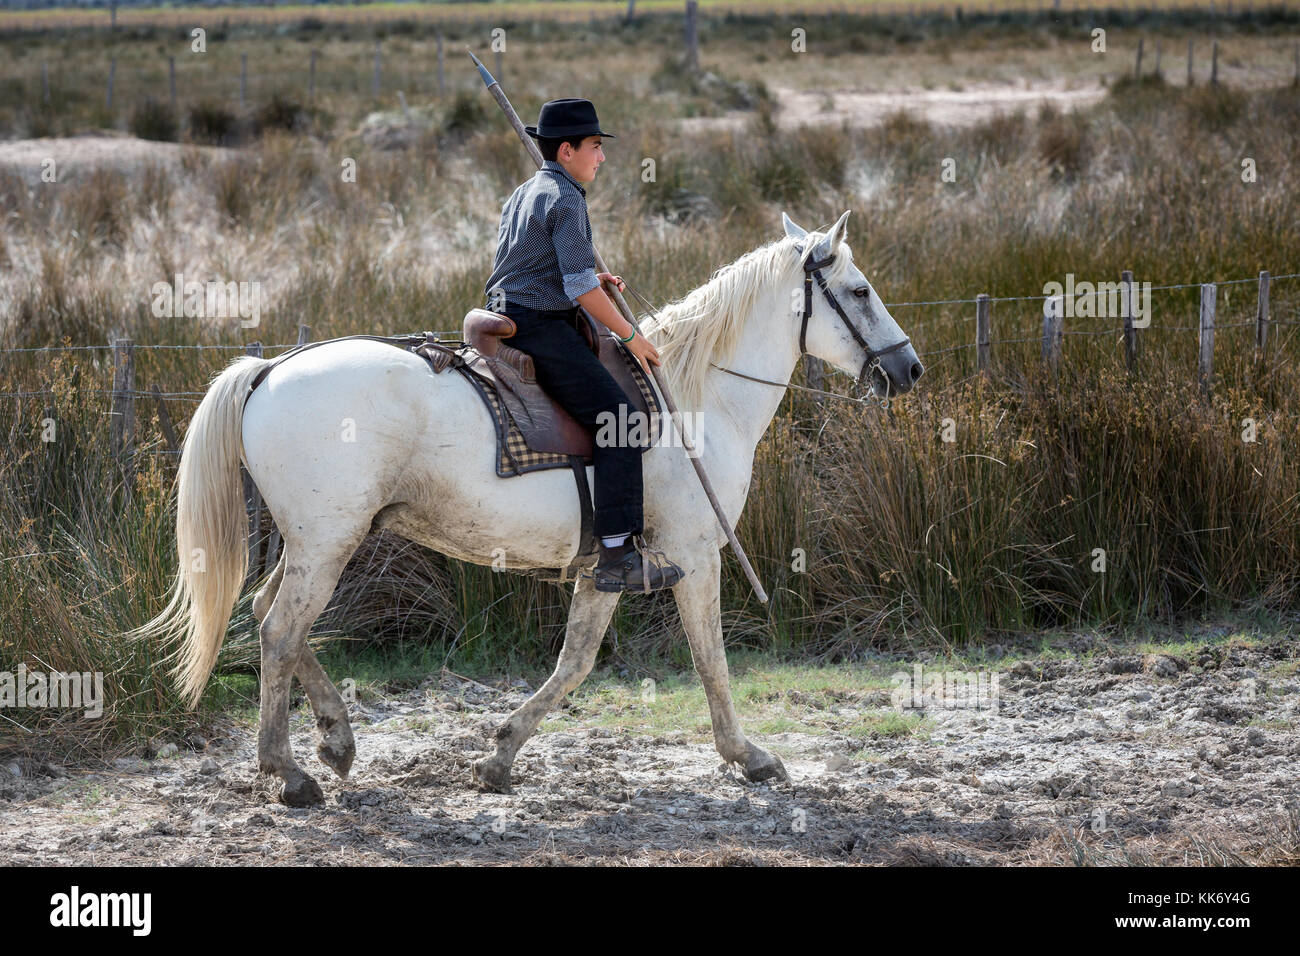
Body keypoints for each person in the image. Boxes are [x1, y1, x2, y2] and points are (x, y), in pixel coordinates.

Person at [483, 98, 683, 593]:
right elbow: (578, 291)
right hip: (537, 325)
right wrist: (633, 338)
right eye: (595, 146)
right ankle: (617, 554)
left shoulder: (527, 190)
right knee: (621, 419)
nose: (602, 156)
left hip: (510, 312)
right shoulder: (567, 198)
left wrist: (588, 274)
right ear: (567, 150)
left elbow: (533, 265)